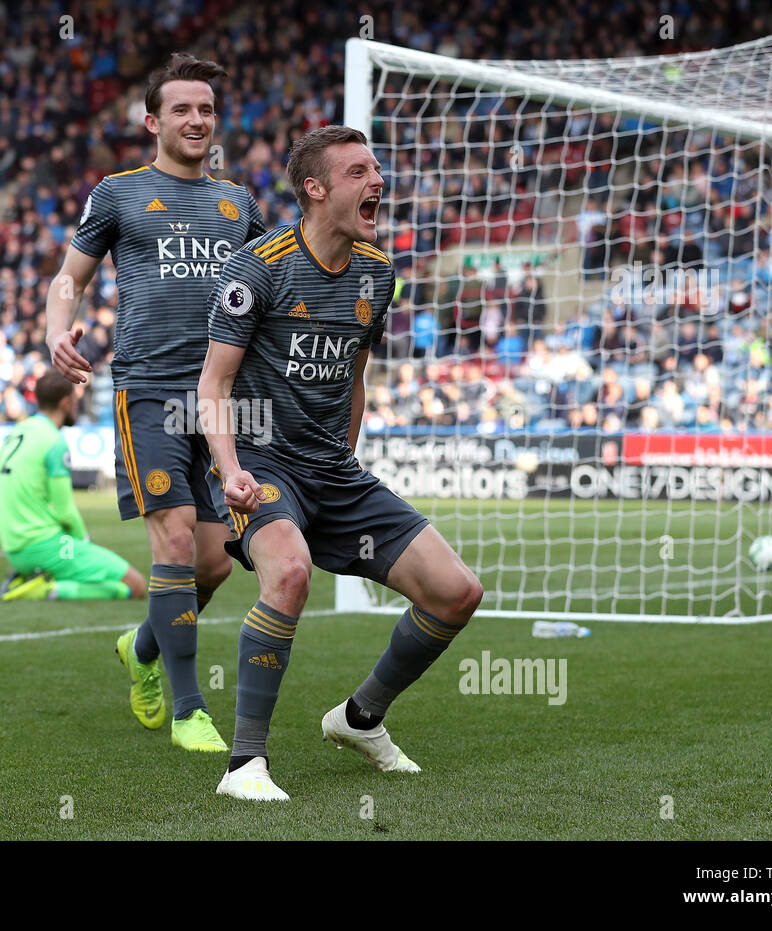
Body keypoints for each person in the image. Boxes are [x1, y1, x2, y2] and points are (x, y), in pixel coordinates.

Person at [197, 125, 484, 801]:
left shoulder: (378, 274)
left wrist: (345, 458)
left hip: (335, 470)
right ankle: (244, 765)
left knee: (457, 591)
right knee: (290, 573)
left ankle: (360, 717)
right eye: (358, 172)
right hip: (264, 463)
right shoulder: (258, 268)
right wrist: (230, 468)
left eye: (377, 169)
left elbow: (355, 376)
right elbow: (213, 385)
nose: (377, 181)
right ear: (316, 189)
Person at [45, 53, 266, 749]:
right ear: (152, 121)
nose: (197, 119)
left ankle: (140, 648)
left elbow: (269, 296)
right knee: (172, 540)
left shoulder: (241, 204)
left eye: (205, 109)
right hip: (148, 388)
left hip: (221, 399)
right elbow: (68, 276)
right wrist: (57, 329)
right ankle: (188, 708)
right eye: (182, 109)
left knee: (214, 563)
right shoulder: (117, 194)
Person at [0, 370, 146, 602]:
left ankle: (36, 579)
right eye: (75, 401)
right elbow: (65, 511)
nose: (76, 406)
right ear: (65, 403)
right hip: (45, 546)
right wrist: (85, 544)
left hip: (13, 548)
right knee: (136, 586)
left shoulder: (18, 431)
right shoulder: (54, 442)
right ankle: (44, 589)